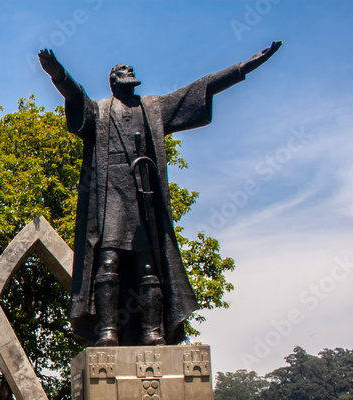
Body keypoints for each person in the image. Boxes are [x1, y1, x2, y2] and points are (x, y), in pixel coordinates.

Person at [38, 41, 281, 346]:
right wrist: (58, 75)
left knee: (148, 266)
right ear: (113, 84)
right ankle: (108, 331)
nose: (129, 86)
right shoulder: (100, 111)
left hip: (142, 198)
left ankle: (153, 331)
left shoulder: (152, 109)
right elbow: (76, 97)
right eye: (123, 81)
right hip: (109, 197)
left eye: (132, 82)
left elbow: (199, 89)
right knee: (108, 262)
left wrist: (242, 68)